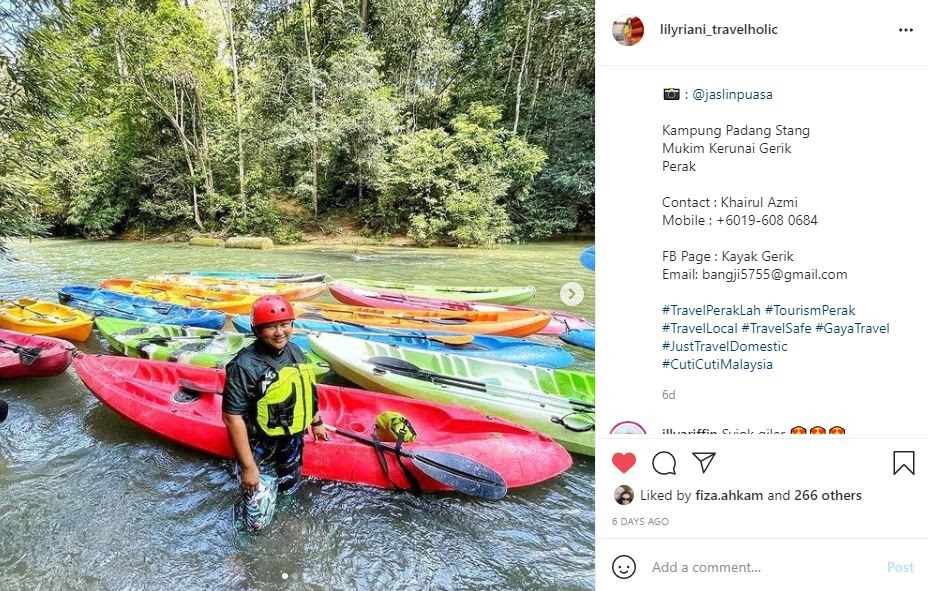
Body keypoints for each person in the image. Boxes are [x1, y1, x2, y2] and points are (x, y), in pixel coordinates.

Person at [221, 295, 328, 533]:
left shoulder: (296, 352)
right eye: (271, 326)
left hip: (291, 441)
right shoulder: (245, 366)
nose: (279, 332)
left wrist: (316, 420)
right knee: (256, 514)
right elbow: (231, 417)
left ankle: (282, 521)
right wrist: (248, 467)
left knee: (289, 489)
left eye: (285, 324)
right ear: (257, 330)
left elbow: (306, 390)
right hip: (260, 446)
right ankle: (244, 546)